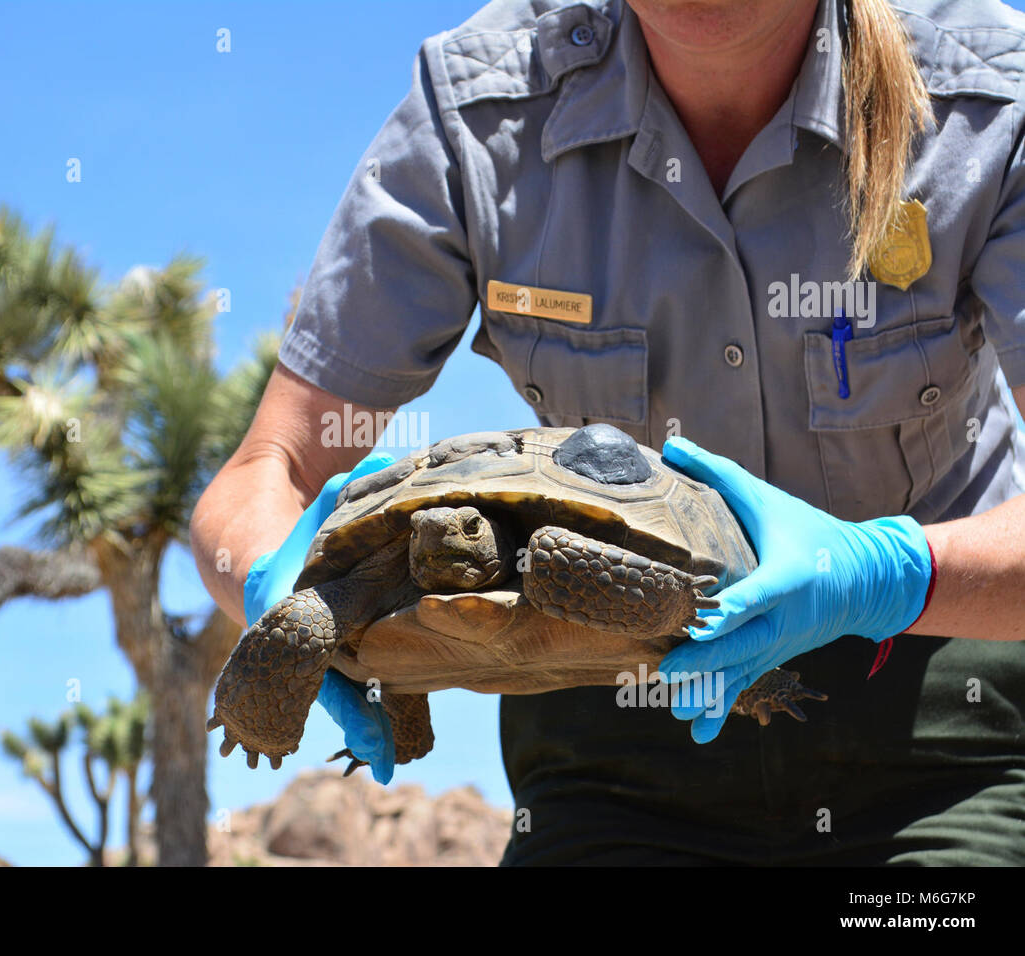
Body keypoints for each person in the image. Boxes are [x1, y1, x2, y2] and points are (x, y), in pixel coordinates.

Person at [192, 0, 1025, 864]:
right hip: (610, 725)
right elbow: (269, 470)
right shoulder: (481, 114)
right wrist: (278, 598)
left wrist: (883, 574)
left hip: (940, 717)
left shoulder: (985, 96)